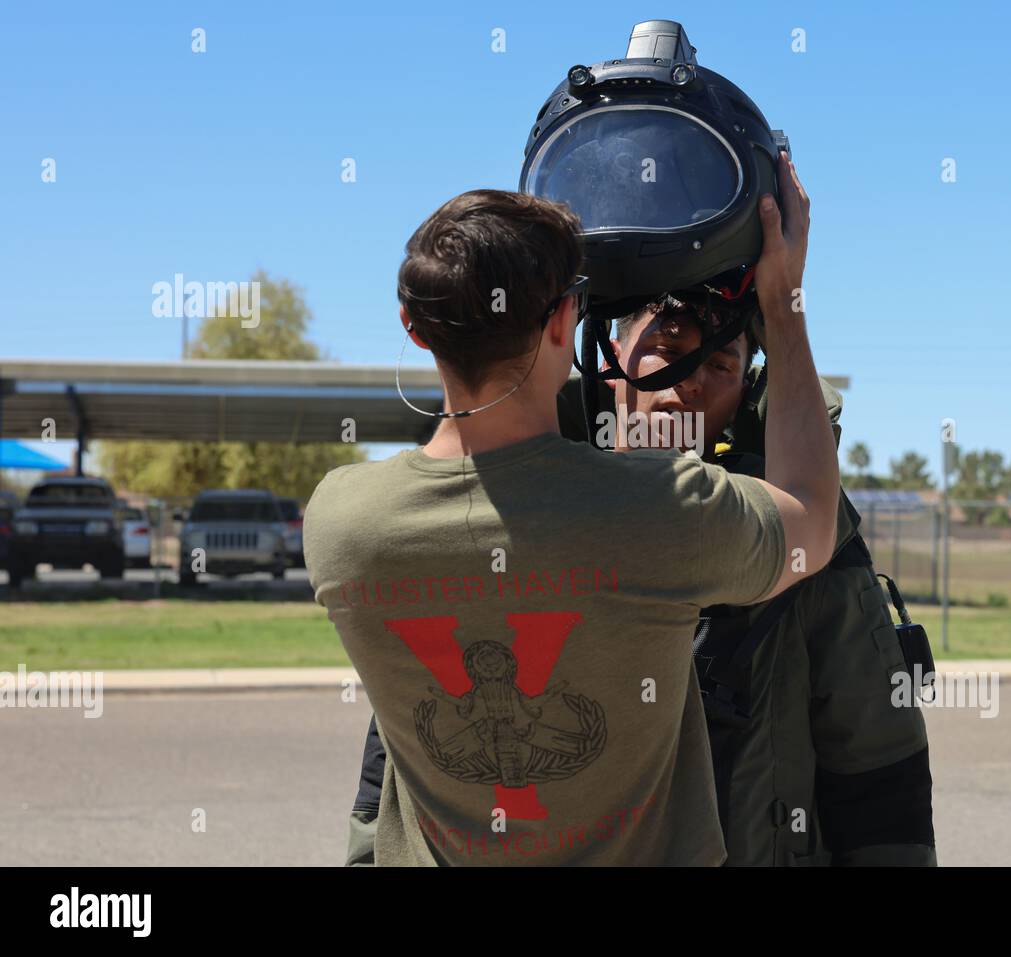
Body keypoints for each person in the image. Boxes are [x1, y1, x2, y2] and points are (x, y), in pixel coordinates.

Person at [305, 156, 840, 865]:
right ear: (565, 319)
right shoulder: (661, 507)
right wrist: (782, 304)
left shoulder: (338, 523)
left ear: (414, 327)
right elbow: (811, 520)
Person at [345, 291, 937, 867]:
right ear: (610, 368)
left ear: (743, 396)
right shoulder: (514, 510)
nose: (691, 380)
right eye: (666, 348)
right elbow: (407, 742)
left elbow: (877, 764)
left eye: (721, 364)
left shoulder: (802, 536)